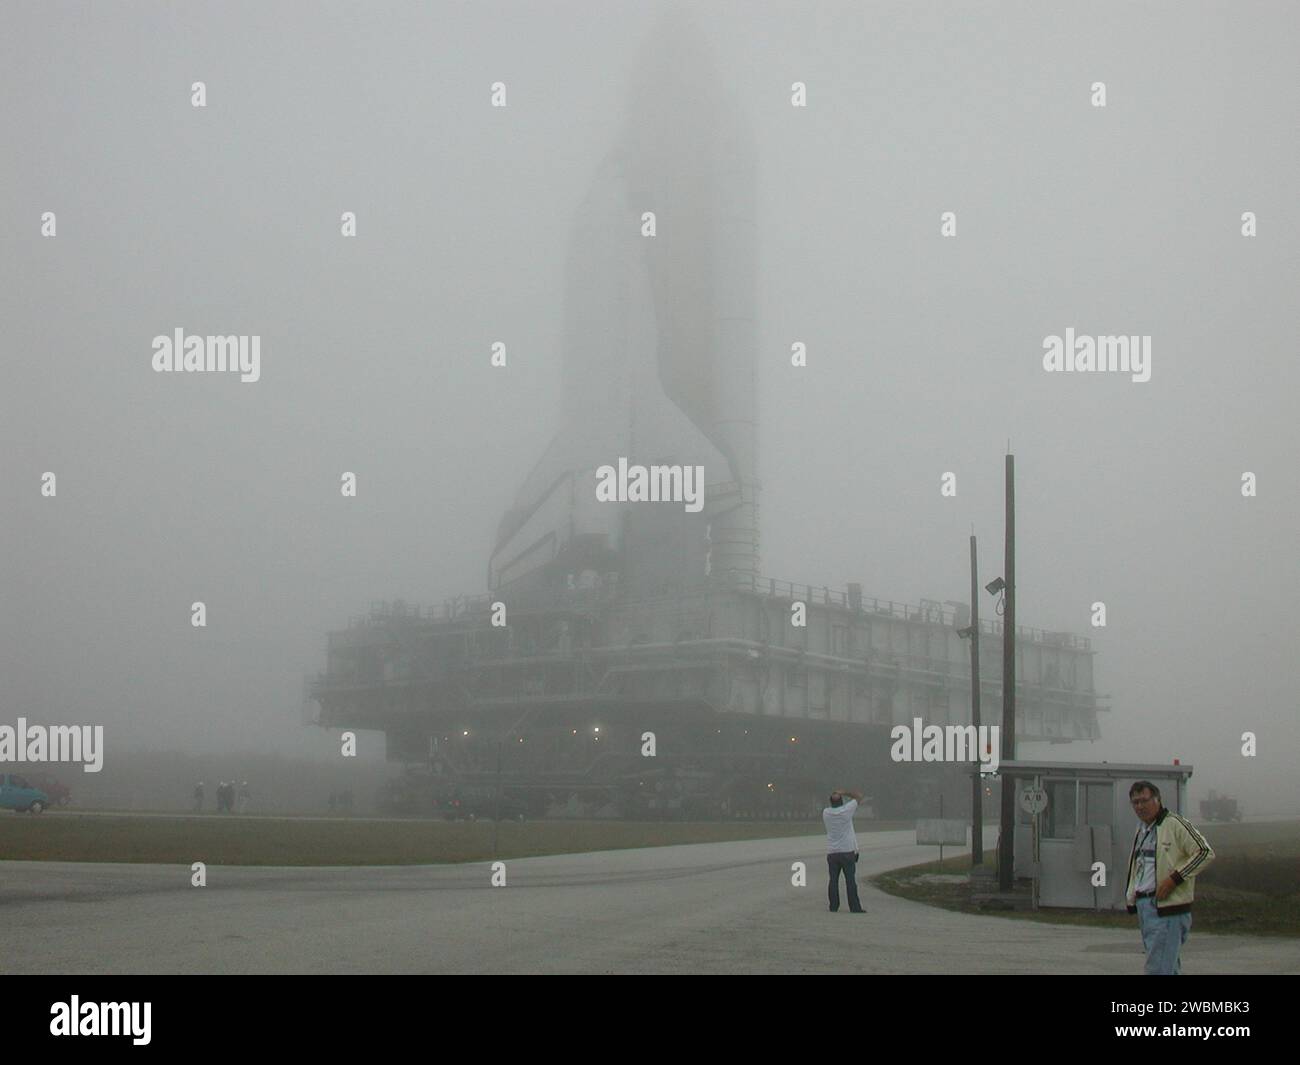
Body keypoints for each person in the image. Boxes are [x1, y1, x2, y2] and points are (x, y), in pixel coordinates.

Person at [1123, 780, 1215, 975]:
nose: (1140, 806)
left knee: (1158, 969)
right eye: (1135, 802)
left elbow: (1204, 852)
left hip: (1168, 909)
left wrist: (1175, 879)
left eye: (1144, 800)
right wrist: (1132, 898)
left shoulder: (1174, 824)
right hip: (1145, 906)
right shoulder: (1142, 830)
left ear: (1157, 800)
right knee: (1167, 967)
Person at [823, 788, 866, 913]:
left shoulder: (826, 813)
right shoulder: (847, 810)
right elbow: (859, 795)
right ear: (842, 801)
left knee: (833, 880)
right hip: (847, 851)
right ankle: (854, 907)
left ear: (830, 802)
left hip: (832, 852)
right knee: (850, 881)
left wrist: (836, 795)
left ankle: (833, 906)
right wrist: (843, 792)